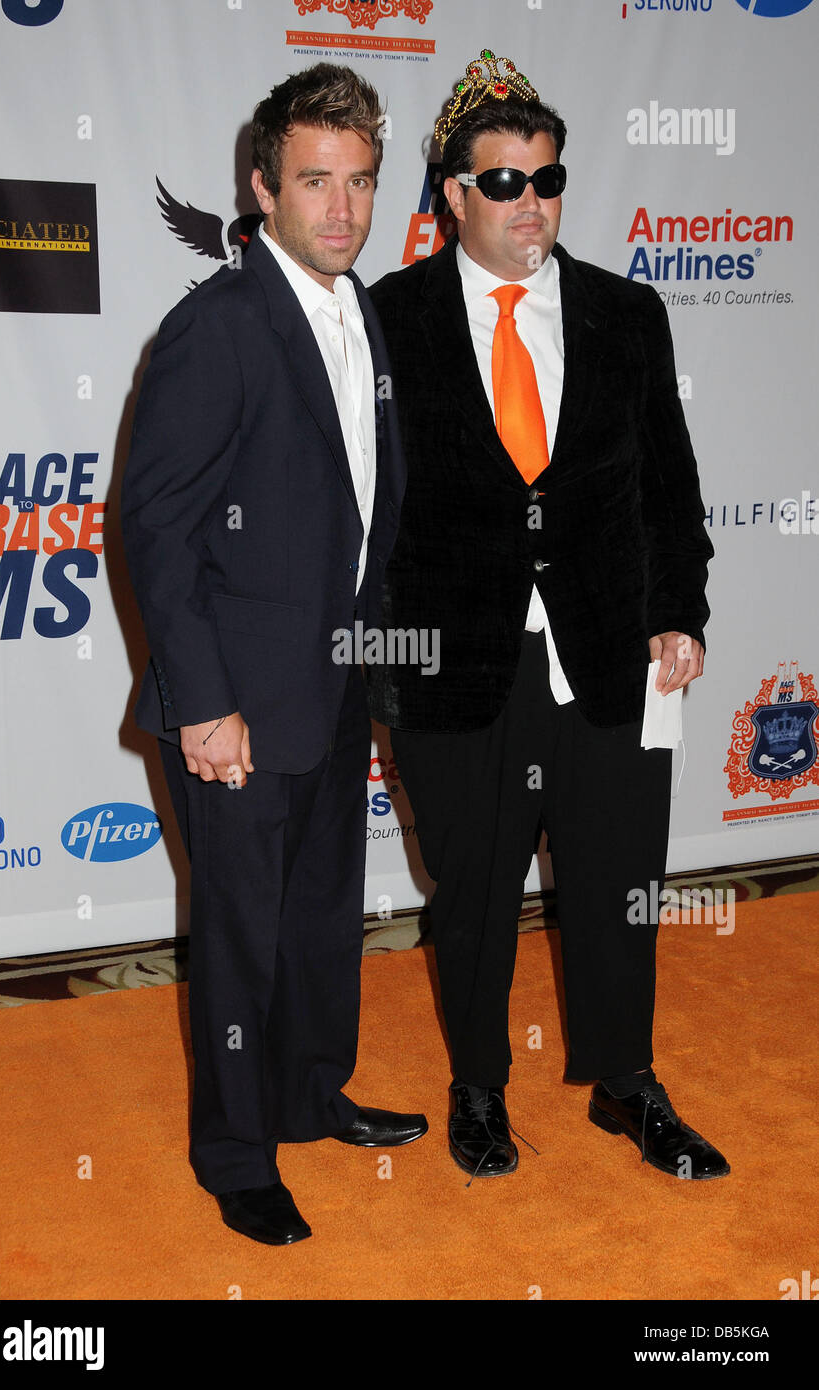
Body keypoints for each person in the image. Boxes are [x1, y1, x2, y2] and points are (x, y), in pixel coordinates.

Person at [365, 49, 729, 1182]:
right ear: (454, 196)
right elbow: (366, 505)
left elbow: (666, 479)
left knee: (621, 875)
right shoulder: (389, 319)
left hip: (604, 647)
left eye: (548, 177)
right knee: (470, 892)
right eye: (505, 181)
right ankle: (479, 1084)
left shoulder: (626, 312)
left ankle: (626, 1082)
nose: (533, 202)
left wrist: (678, 606)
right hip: (453, 656)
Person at [121, 62, 425, 1247]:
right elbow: (159, 526)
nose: (341, 208)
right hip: (235, 705)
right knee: (241, 936)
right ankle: (236, 1155)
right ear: (262, 187)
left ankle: (307, 1095)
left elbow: (364, 509)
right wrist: (203, 703)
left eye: (358, 181)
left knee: (315, 919)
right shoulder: (219, 326)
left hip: (332, 684)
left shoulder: (365, 313)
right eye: (315, 181)